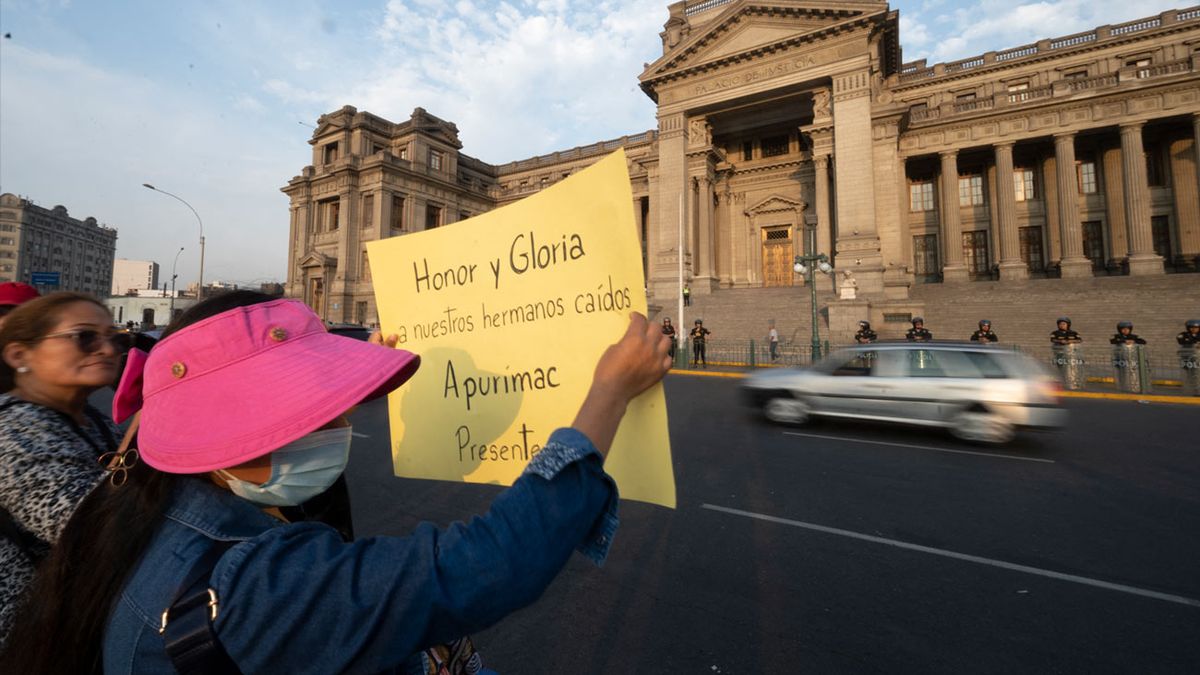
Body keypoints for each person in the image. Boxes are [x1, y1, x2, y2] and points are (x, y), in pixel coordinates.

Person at [2, 293, 672, 673]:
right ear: (238, 429)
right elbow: (493, 563)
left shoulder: (142, 509)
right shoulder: (254, 583)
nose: (338, 420)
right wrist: (608, 391)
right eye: (312, 401)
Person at [0, 292, 127, 647]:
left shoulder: (94, 420)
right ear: (19, 355)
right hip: (33, 641)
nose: (107, 349)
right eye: (85, 336)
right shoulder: (13, 431)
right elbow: (96, 528)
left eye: (115, 338)